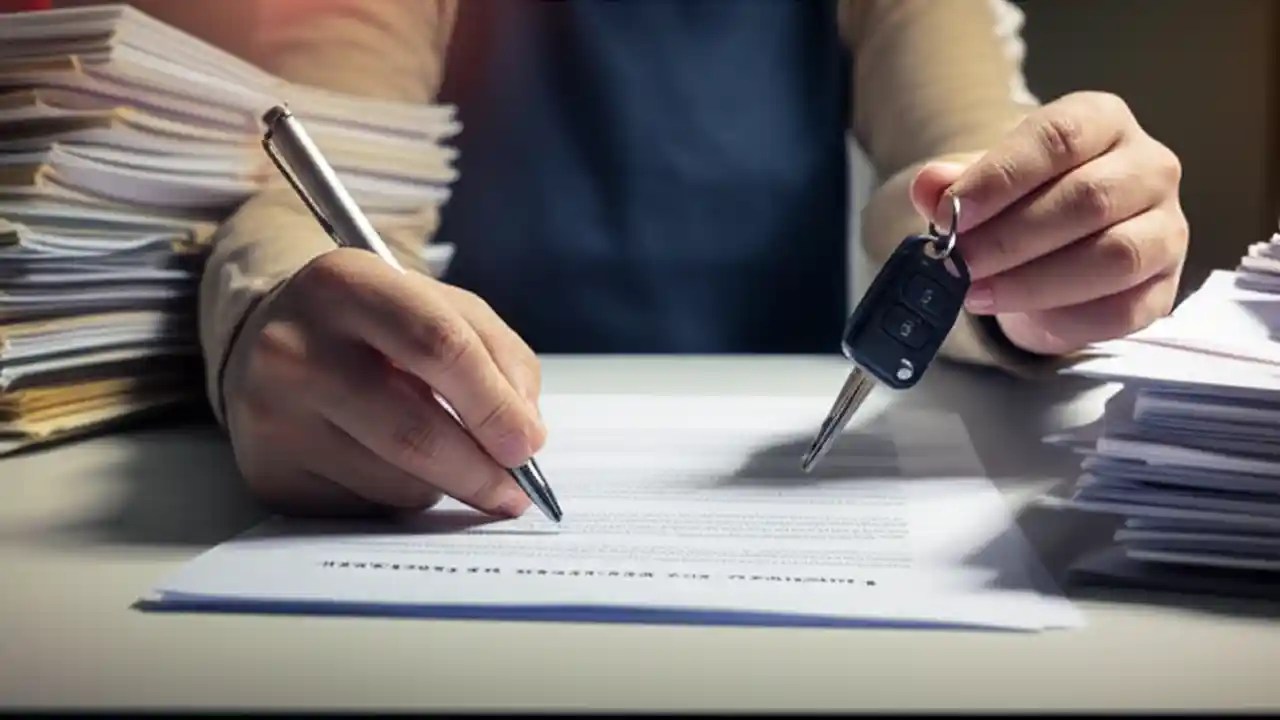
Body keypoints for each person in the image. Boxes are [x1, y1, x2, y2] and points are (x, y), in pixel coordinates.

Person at [200, 0, 1188, 518]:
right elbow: (312, 193)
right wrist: (275, 309)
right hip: (445, 449)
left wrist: (1040, 249)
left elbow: (959, 150)